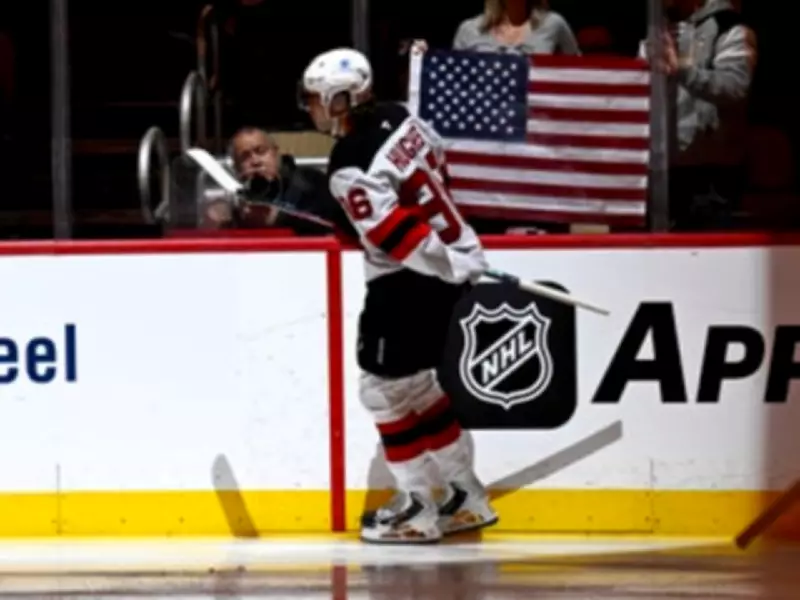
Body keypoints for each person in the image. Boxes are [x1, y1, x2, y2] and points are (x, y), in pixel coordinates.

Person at [299, 48, 498, 544]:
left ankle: (416, 507)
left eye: (315, 100)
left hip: (408, 282)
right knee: (416, 388)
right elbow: (434, 169)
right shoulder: (400, 116)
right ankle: (464, 495)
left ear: (340, 99)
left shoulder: (349, 161)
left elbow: (395, 237)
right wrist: (460, 256)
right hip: (447, 262)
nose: (310, 109)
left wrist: (448, 264)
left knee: (382, 390)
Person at [646, 0, 756, 229]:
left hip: (711, 176)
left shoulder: (729, 28)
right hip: (665, 172)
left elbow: (735, 86)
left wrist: (683, 72)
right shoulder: (661, 31)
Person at [205, 126, 340, 234]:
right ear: (236, 167)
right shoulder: (234, 193)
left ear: (276, 154)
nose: (255, 161)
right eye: (245, 157)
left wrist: (278, 218)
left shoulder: (308, 183)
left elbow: (328, 225)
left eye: (261, 151)